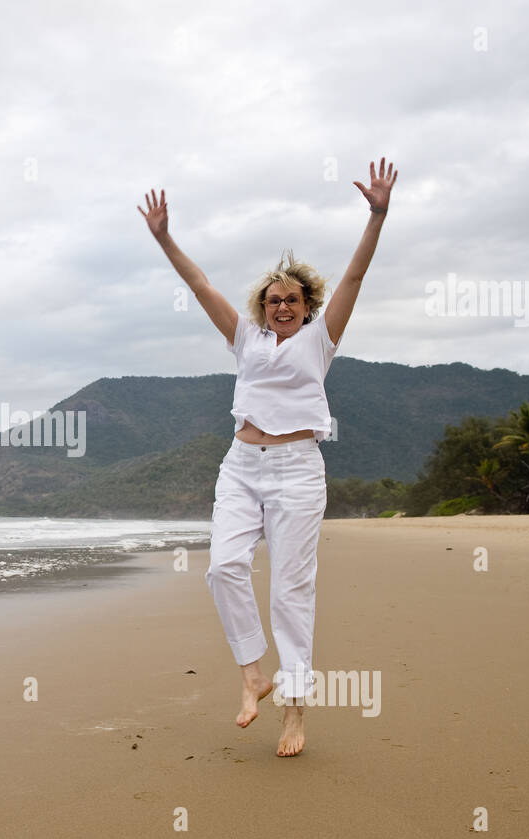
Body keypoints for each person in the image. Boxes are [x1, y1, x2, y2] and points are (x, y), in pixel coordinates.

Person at [138, 158, 397, 756]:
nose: (283, 307)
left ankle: (295, 712)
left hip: (298, 470)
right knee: (222, 567)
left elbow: (355, 278)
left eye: (293, 300)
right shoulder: (244, 338)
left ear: (308, 306)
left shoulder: (320, 339)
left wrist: (377, 216)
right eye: (274, 299)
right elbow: (200, 284)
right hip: (241, 466)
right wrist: (164, 238)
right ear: (262, 305)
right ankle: (253, 673)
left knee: (290, 590)